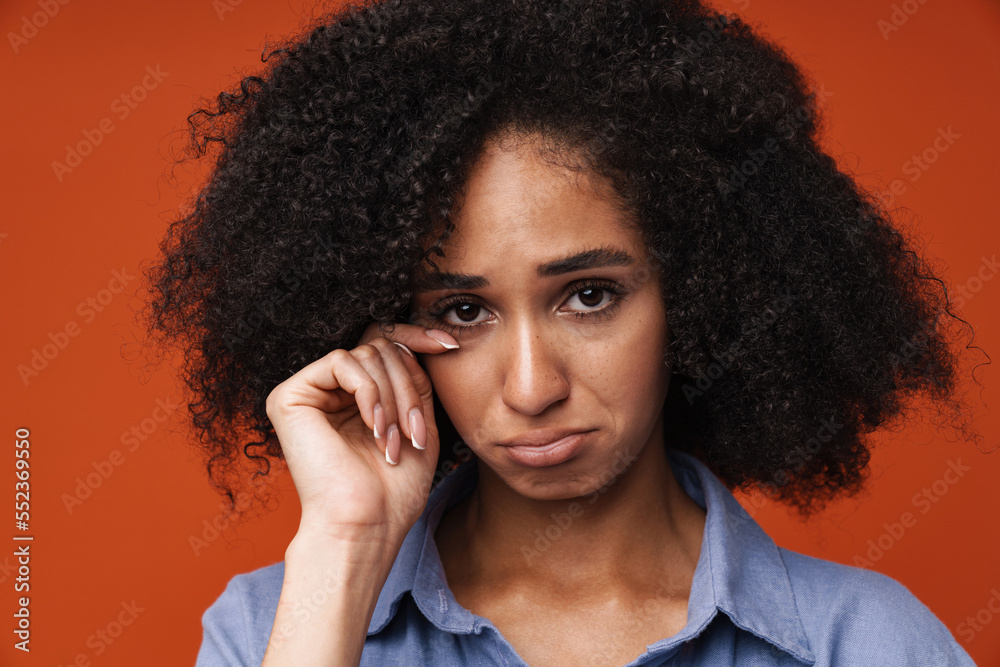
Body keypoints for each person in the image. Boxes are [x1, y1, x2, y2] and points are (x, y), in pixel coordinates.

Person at [141, 0, 986, 664]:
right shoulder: (274, 629)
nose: (532, 386)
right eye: (463, 311)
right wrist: (346, 546)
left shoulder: (866, 644)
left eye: (588, 295)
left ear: (697, 291)